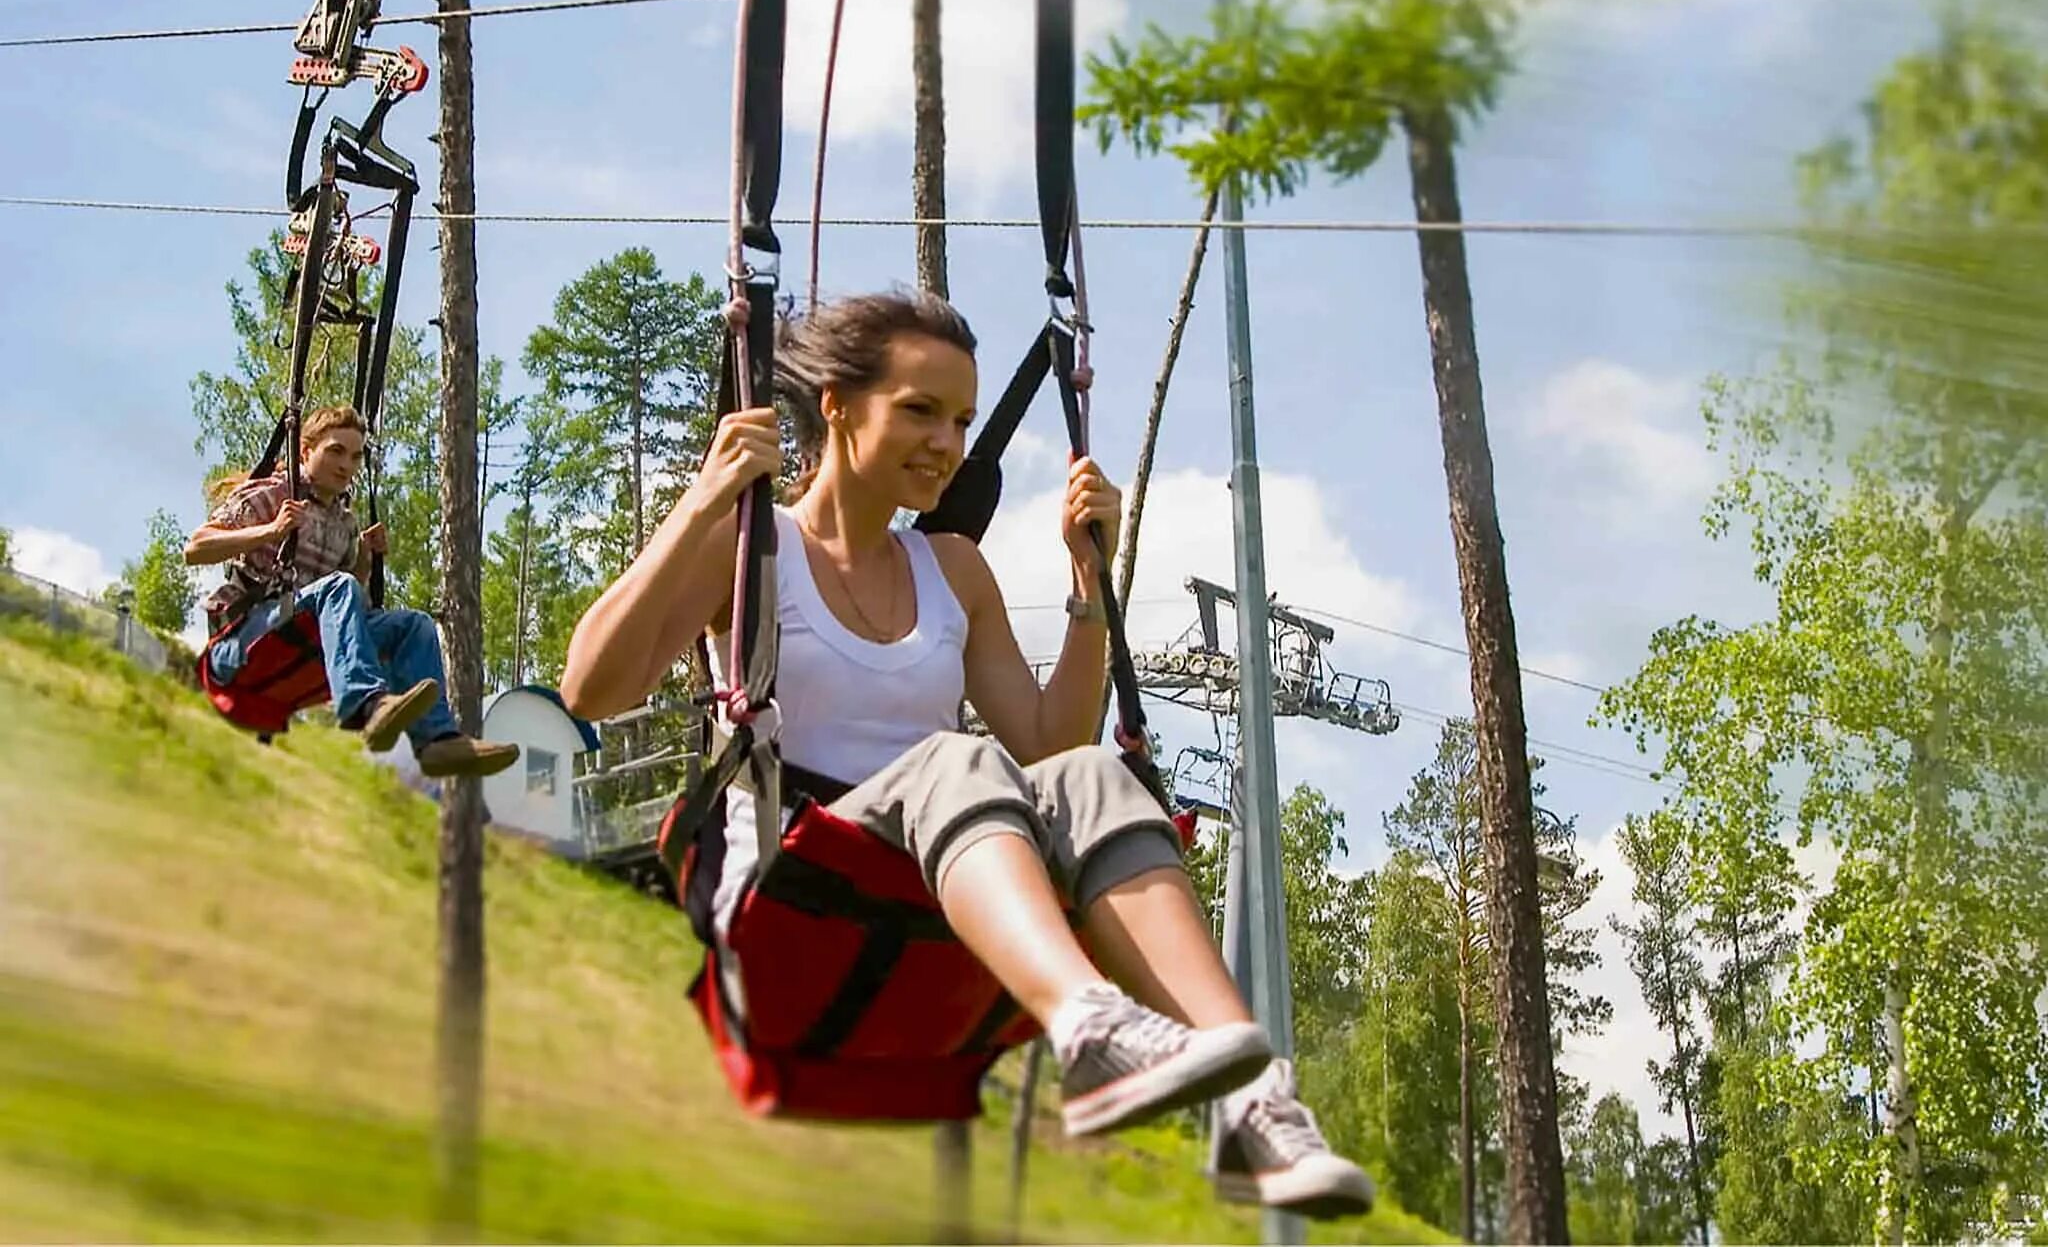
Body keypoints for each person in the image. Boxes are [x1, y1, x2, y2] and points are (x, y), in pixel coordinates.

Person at [560, 292, 1374, 1217]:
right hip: (793, 874)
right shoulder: (755, 546)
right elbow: (590, 687)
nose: (945, 443)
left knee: (1094, 773)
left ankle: (1257, 1102)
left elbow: (1050, 748)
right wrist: (702, 503)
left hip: (943, 877)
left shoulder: (951, 570)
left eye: (960, 421)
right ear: (836, 404)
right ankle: (1089, 1024)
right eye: (919, 411)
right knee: (959, 761)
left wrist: (1085, 584)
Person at [187, 404, 518, 779]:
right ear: (306, 452)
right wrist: (271, 531)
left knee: (415, 625)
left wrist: (364, 558)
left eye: (356, 456)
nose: (347, 465)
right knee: (340, 587)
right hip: (245, 642)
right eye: (335, 451)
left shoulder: (344, 520)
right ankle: (367, 705)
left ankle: (437, 740)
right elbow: (196, 548)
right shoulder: (273, 494)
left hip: (300, 638)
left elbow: (345, 604)